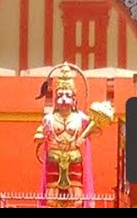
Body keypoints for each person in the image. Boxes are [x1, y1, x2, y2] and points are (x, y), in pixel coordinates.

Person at [34, 63, 99, 208]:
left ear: (74, 99)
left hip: (74, 158)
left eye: (68, 95)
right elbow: (39, 135)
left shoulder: (81, 118)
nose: (64, 99)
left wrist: (90, 130)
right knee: (51, 195)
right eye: (60, 95)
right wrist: (42, 137)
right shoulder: (49, 119)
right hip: (54, 158)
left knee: (76, 194)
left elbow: (96, 131)